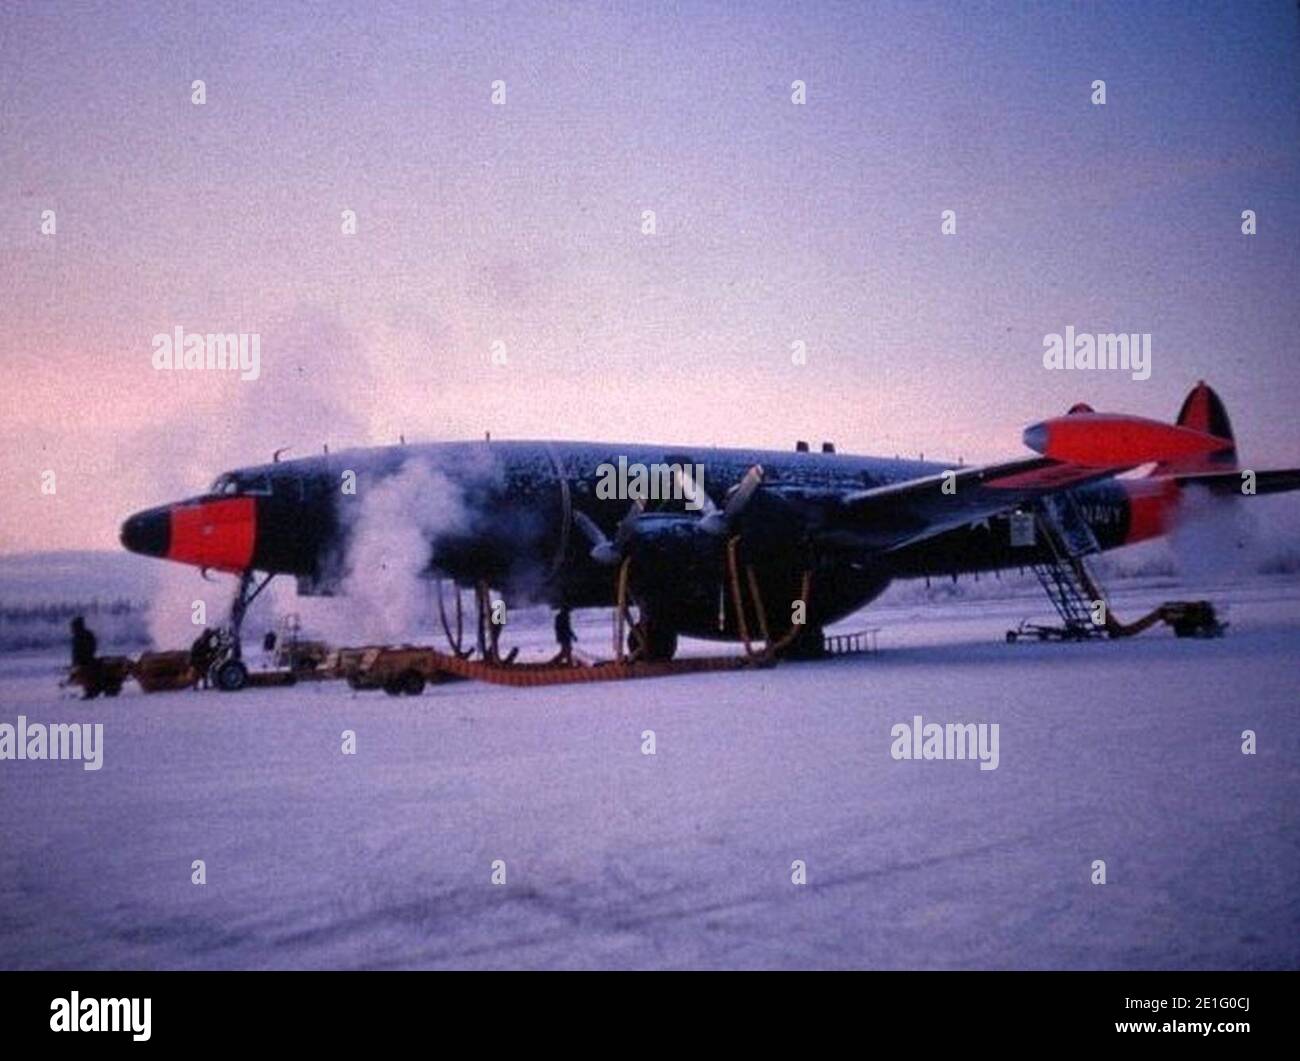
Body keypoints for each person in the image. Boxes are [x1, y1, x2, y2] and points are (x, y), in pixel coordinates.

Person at [69, 616, 101, 699]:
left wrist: (75, 662)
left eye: (73, 626)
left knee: (86, 675)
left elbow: (76, 652)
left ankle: (90, 692)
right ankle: (91, 690)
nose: (71, 629)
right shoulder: (87, 634)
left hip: (84, 660)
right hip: (88, 658)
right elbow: (93, 646)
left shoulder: (78, 636)